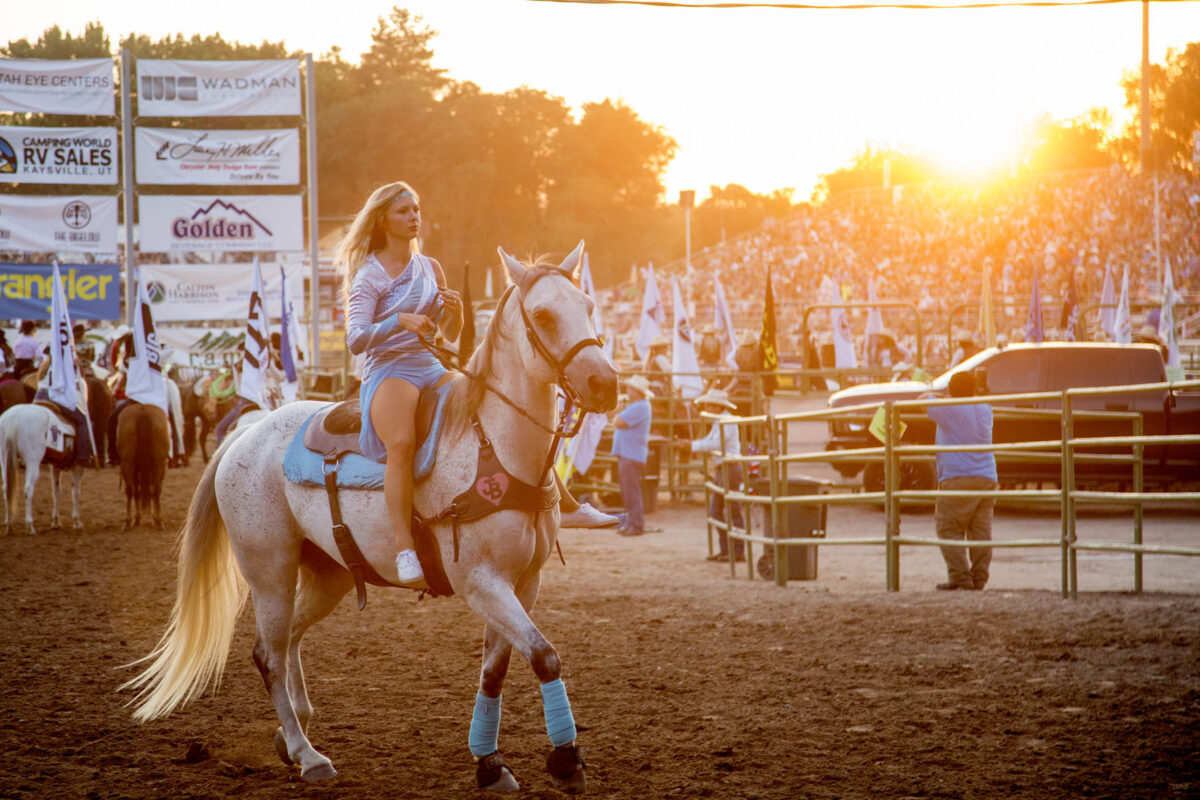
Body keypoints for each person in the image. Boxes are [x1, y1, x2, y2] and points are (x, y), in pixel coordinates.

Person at [340, 181, 464, 588]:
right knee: (402, 445)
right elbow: (356, 339)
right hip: (389, 367)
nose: (414, 217)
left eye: (416, 209)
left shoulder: (430, 266)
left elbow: (446, 336)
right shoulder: (369, 274)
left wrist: (456, 315)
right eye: (404, 211)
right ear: (383, 220)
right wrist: (399, 321)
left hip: (428, 361)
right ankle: (404, 546)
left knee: (482, 406)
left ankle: (562, 502)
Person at [922, 371, 997, 591]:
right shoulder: (985, 408)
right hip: (987, 476)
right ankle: (979, 578)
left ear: (951, 390)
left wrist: (937, 393)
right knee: (981, 531)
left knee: (948, 528)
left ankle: (960, 577)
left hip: (957, 476)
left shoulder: (949, 408)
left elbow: (919, 400)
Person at [675, 387, 744, 562]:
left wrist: (692, 445)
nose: (707, 407)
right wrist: (692, 444)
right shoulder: (721, 420)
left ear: (715, 406)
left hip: (729, 466)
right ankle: (730, 550)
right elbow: (713, 442)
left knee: (728, 509)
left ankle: (735, 550)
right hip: (726, 466)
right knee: (722, 509)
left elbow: (715, 443)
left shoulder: (725, 421)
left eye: (709, 405)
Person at [610, 375, 653, 536]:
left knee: (631, 491)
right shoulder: (639, 406)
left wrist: (617, 416)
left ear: (638, 391)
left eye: (630, 388)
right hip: (629, 454)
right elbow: (617, 419)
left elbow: (619, 421)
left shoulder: (640, 407)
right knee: (629, 491)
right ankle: (632, 522)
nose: (627, 390)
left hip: (630, 455)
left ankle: (635, 524)